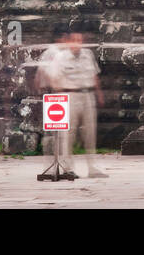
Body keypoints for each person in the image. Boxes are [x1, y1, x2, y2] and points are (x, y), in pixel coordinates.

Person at [37, 29, 106, 181]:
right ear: (68, 41)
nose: (77, 43)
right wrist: (60, 95)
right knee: (68, 134)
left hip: (87, 94)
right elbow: (53, 78)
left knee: (90, 133)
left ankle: (92, 167)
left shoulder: (87, 55)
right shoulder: (61, 57)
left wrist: (99, 94)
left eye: (79, 40)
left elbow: (94, 75)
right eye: (73, 40)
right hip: (69, 95)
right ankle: (68, 168)